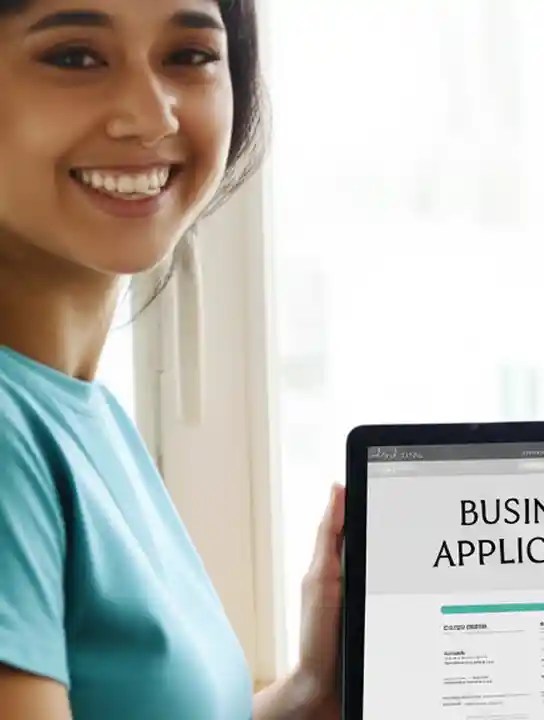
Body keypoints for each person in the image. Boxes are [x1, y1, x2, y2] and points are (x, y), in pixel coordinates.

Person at [0, 0, 342, 717]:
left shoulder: (76, 407)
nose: (151, 116)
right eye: (74, 57)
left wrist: (311, 689)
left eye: (189, 57)